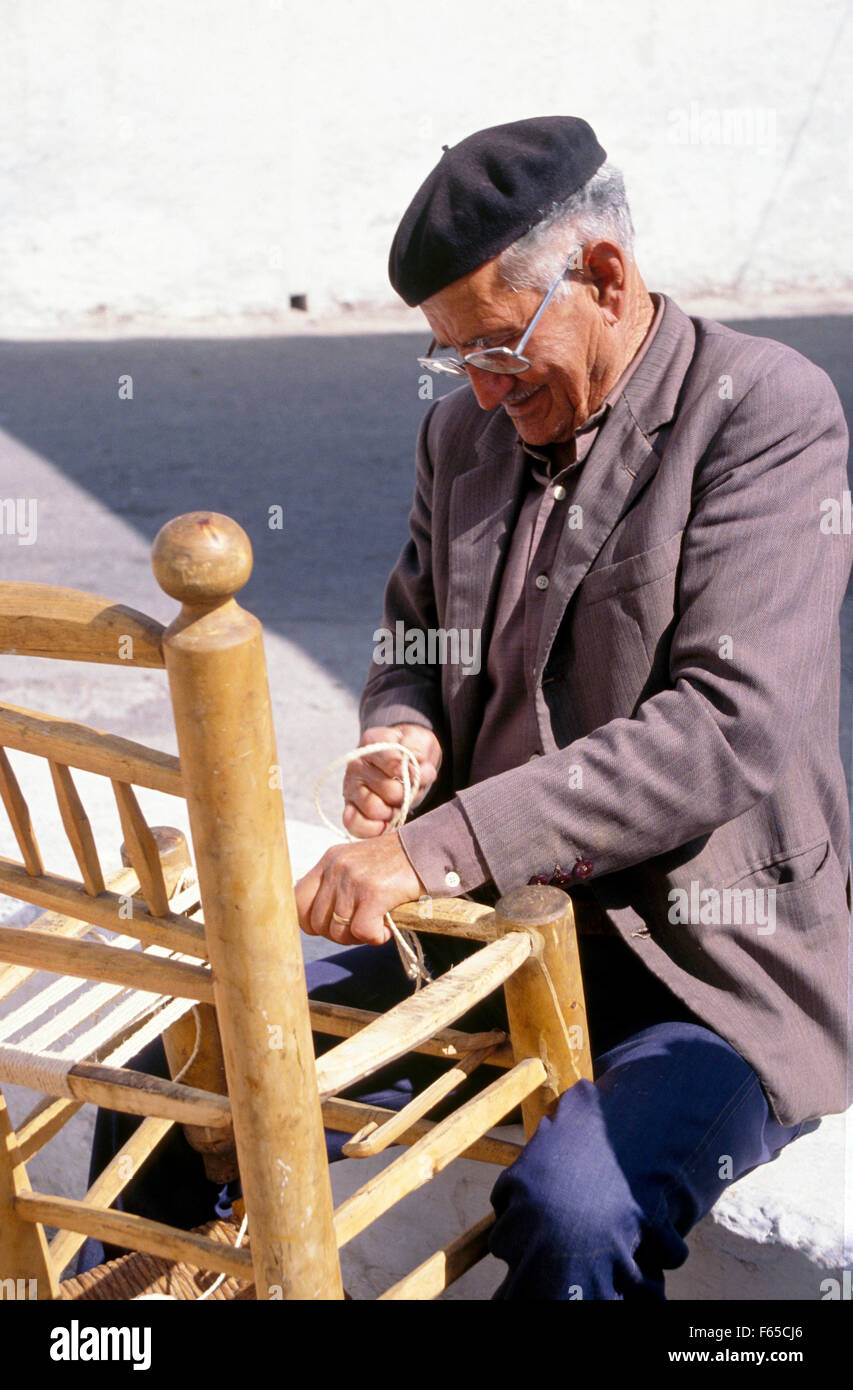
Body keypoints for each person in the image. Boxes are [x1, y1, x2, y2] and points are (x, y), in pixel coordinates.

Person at [83, 115, 850, 1299]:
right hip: (489, 937)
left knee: (575, 1212)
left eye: (495, 347)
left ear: (603, 276)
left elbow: (727, 728)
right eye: (453, 359)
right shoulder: (462, 438)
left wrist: (432, 849)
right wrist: (401, 733)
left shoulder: (764, 412)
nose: (482, 391)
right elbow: (409, 641)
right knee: (183, 1072)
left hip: (704, 962)